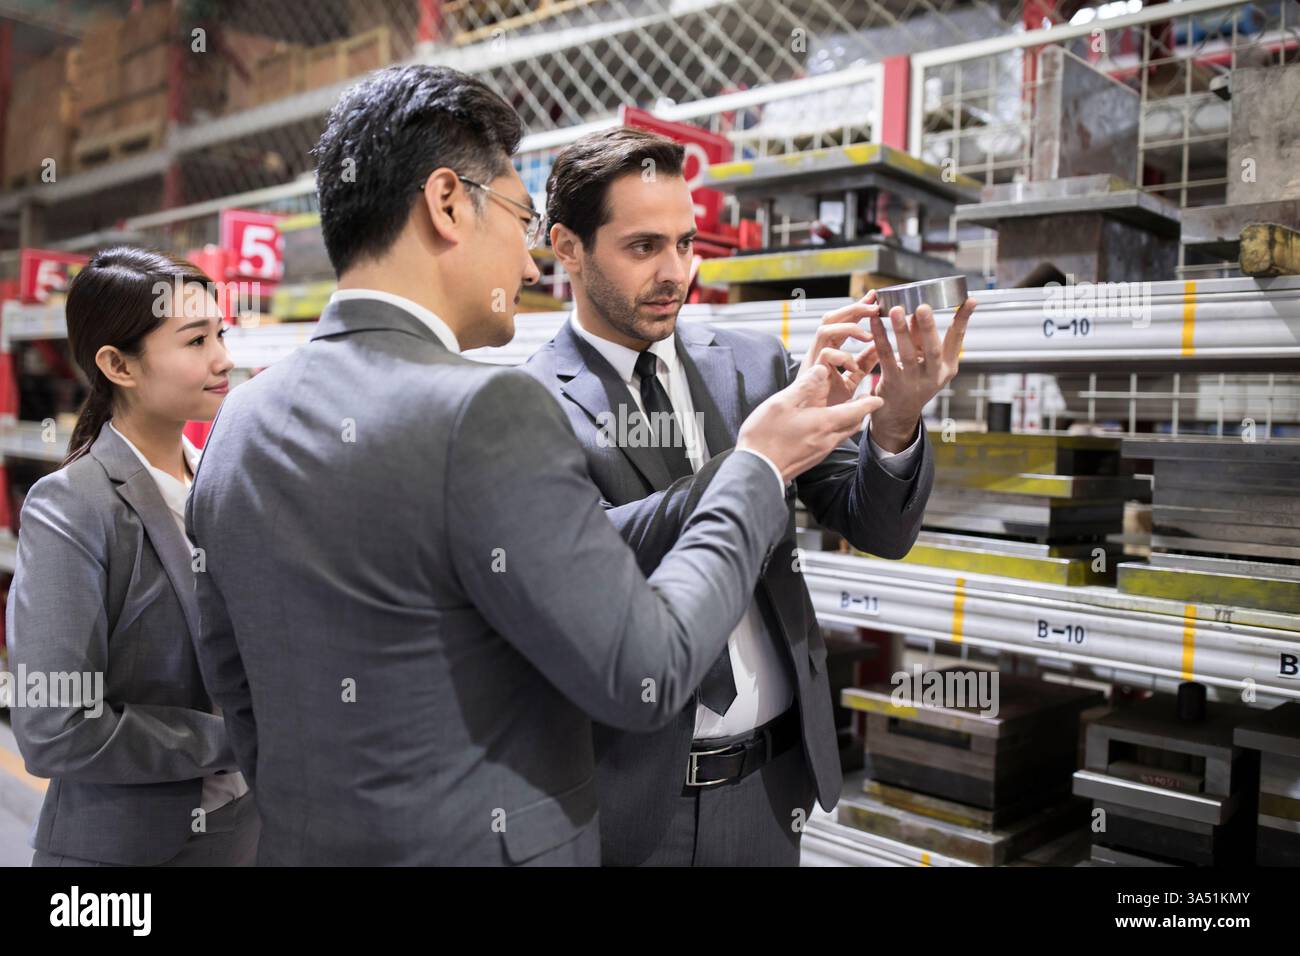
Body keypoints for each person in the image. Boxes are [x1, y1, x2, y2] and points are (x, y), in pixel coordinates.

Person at [185, 64, 880, 866]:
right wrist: (755, 468)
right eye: (519, 219)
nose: (524, 266)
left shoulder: (240, 418)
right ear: (448, 204)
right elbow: (643, 669)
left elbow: (231, 673)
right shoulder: (485, 410)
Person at [524, 127, 976, 865]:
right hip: (634, 810)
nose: (676, 273)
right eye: (643, 248)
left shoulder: (752, 364)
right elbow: (587, 564)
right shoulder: (527, 402)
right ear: (568, 247)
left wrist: (896, 418)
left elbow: (878, 527)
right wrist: (756, 460)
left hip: (772, 793)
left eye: (686, 243)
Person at [7, 246, 258, 866]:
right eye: (196, 340)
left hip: (243, 836)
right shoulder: (72, 507)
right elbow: (53, 727)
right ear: (119, 364)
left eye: (220, 333)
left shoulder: (222, 486)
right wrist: (235, 740)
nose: (224, 358)